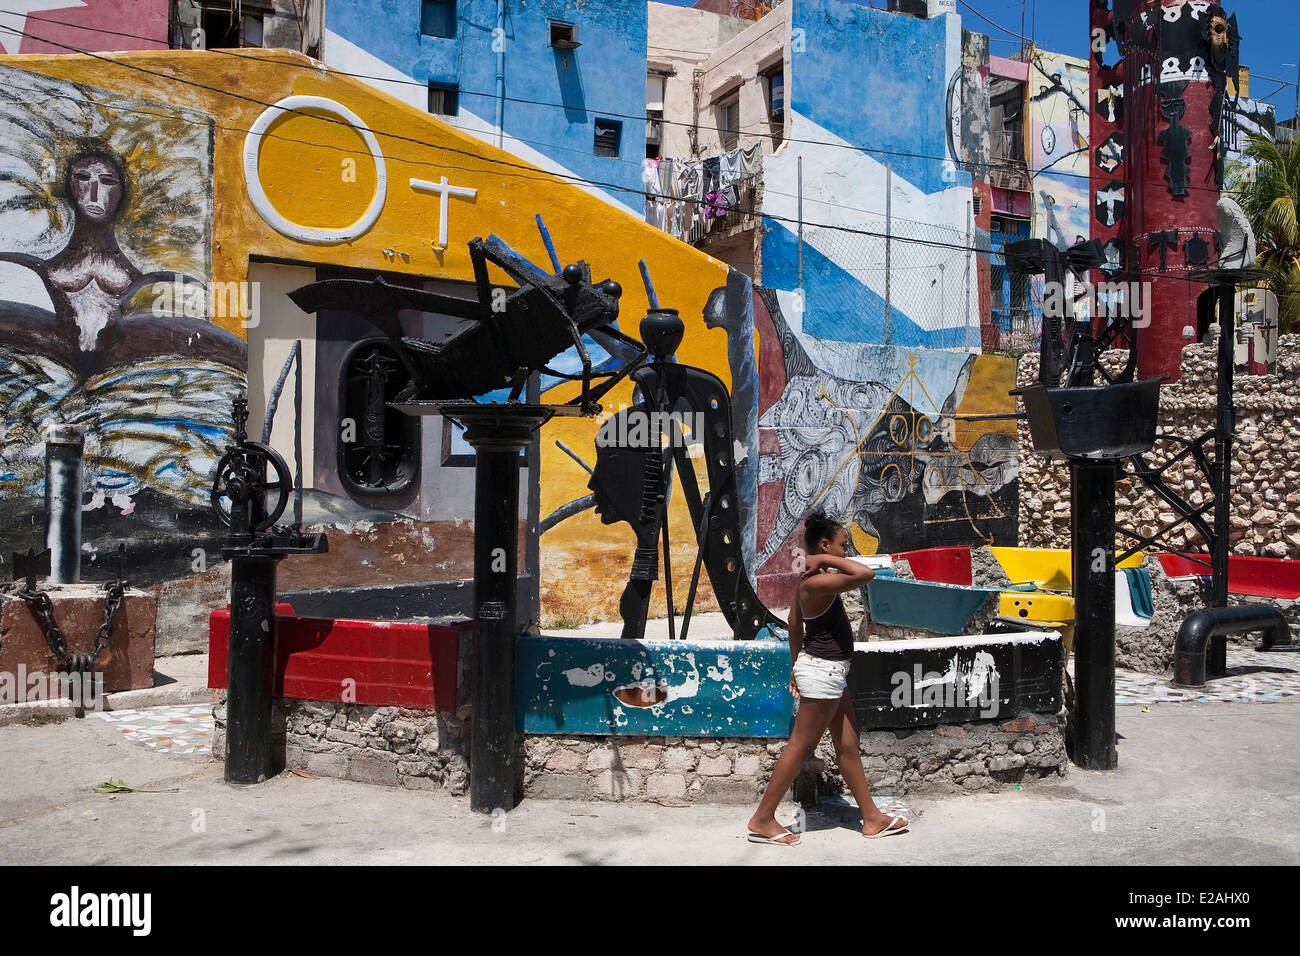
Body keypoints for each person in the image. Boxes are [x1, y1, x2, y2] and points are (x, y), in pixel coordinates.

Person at [747, 511, 910, 845]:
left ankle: (872, 818)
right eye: (842, 545)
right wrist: (821, 559)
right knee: (800, 745)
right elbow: (865, 574)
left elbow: (794, 623)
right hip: (823, 673)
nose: (846, 552)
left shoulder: (808, 581)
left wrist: (795, 664)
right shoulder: (817, 580)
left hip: (829, 672)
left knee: (847, 746)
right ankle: (763, 819)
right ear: (824, 545)